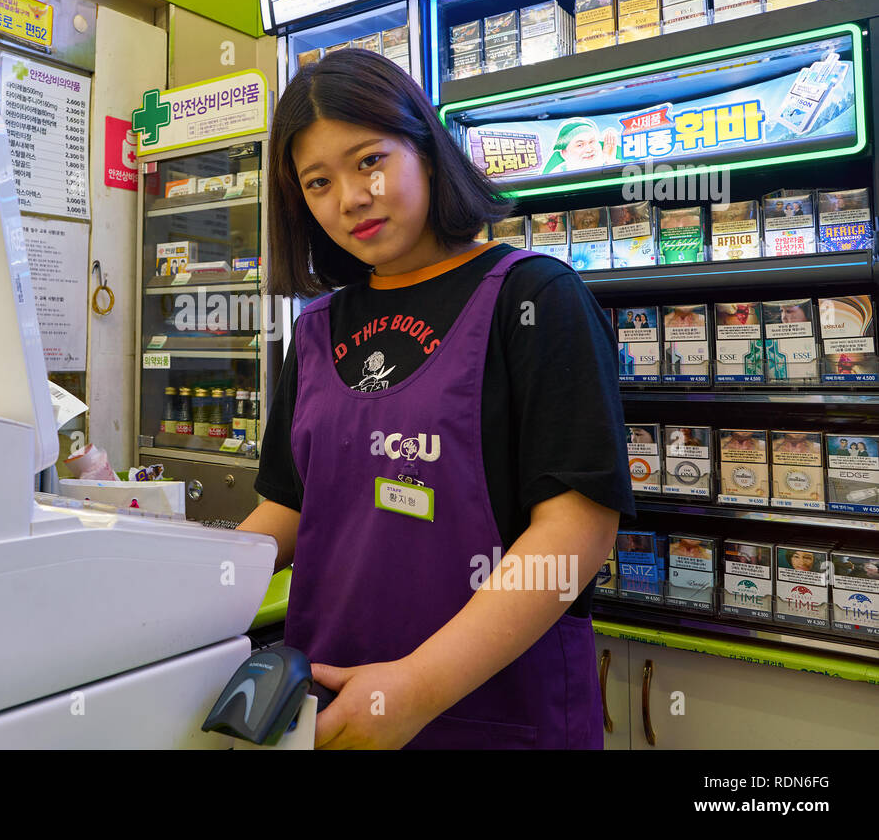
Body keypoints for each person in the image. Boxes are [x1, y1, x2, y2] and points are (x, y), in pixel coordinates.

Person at [240, 49, 632, 749]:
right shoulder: (317, 329)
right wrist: (172, 588)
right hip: (332, 705)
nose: (351, 197)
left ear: (424, 146)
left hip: (496, 711)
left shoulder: (536, 298)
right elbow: (290, 506)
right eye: (318, 181)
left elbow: (576, 534)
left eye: (369, 161)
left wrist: (417, 685)